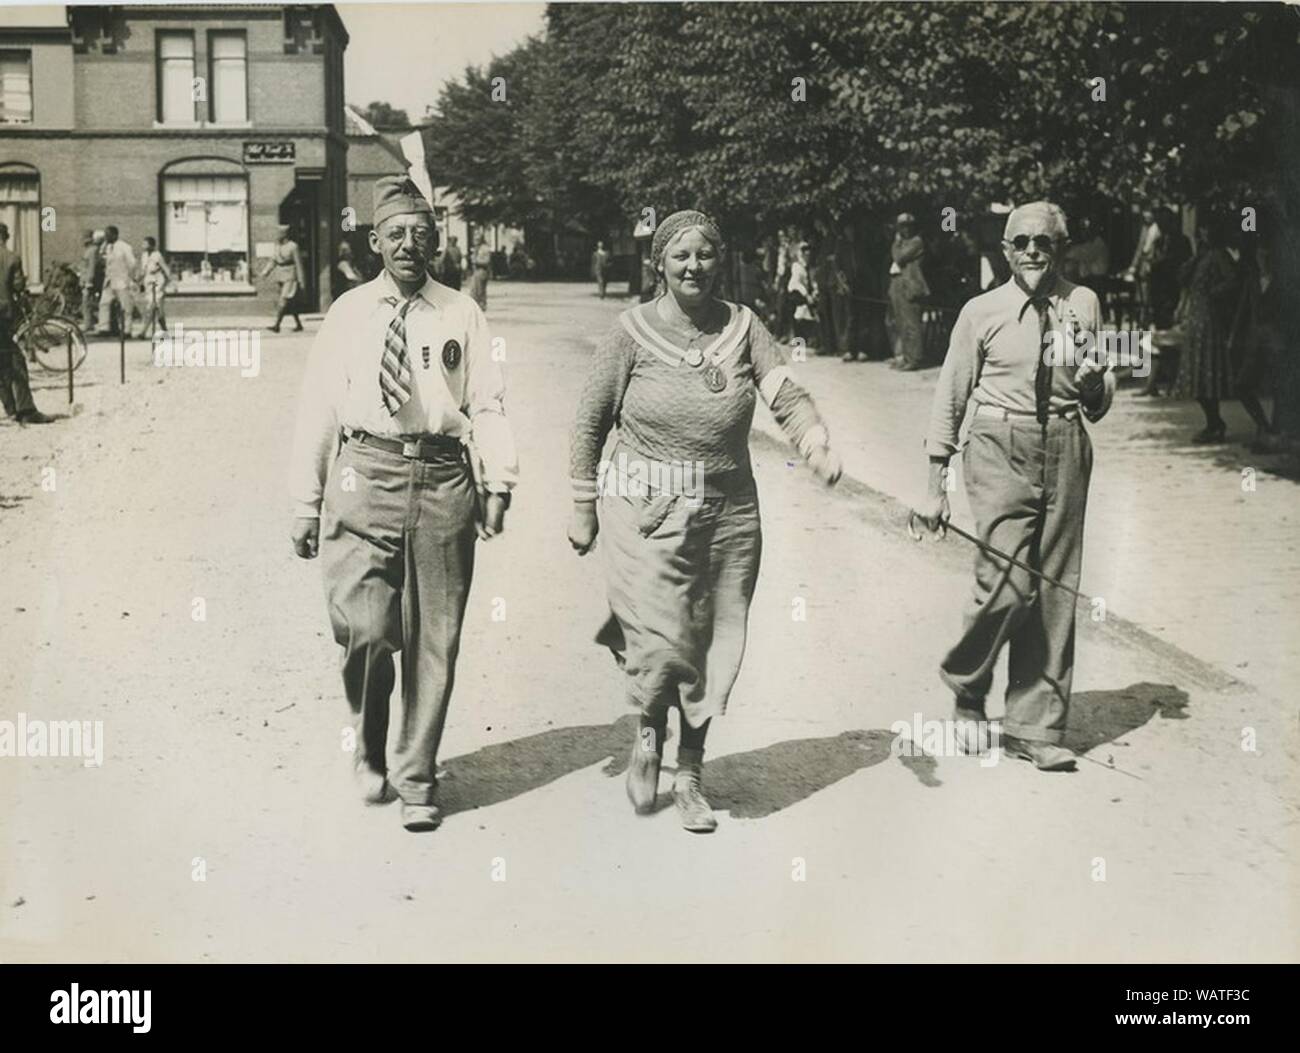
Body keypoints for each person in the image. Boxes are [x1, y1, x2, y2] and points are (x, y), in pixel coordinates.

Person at [567, 209, 843, 832]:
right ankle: (647, 736)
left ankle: (690, 771)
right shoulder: (630, 332)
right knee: (665, 641)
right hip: (643, 508)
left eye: (707, 255)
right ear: (659, 264)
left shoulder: (745, 327)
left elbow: (784, 394)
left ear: (722, 260)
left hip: (728, 509)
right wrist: (583, 503)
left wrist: (815, 443)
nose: (695, 267)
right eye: (681, 256)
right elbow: (590, 420)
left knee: (715, 643)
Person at [289, 176, 518, 833]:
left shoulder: (461, 313)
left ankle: (418, 776)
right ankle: (370, 738)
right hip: (366, 472)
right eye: (396, 234)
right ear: (374, 242)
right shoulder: (349, 313)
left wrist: (499, 481)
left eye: (421, 233)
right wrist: (305, 500)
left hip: (444, 477)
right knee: (365, 627)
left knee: (434, 638)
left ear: (436, 240)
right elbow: (318, 408)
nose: (409, 245)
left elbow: (487, 403)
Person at [914, 201, 1114, 772]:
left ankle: (1035, 726)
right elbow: (951, 397)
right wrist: (935, 484)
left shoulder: (1084, 303)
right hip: (999, 444)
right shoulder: (982, 311)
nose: (1032, 251)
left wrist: (1097, 385)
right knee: (1005, 581)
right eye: (1021, 241)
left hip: (1068, 446)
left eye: (1044, 242)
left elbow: (1097, 403)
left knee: (1054, 586)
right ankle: (969, 687)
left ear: (1061, 247)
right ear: (1005, 250)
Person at [1169, 221, 1273, 444]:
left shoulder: (1219, 255)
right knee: (1198, 375)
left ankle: (1218, 423)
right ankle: (1214, 422)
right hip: (1196, 318)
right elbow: (1183, 277)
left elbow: (1232, 281)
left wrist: (1212, 294)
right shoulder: (1203, 254)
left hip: (1209, 320)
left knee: (1210, 373)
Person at [0, 223, 53, 424]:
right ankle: (26, 410)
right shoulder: (12, 257)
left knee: (3, 362)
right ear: (6, 236)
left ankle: (12, 408)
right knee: (16, 361)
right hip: (3, 315)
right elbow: (18, 286)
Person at [888, 212, 928, 370]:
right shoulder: (903, 242)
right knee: (901, 322)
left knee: (912, 323)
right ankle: (906, 356)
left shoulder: (916, 242)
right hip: (898, 284)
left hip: (910, 286)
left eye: (907, 226)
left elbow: (899, 257)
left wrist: (896, 243)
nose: (904, 230)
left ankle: (915, 358)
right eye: (901, 227)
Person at [95, 225, 139, 338]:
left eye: (108, 235)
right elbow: (105, 261)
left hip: (122, 281)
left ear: (115, 235)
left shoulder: (124, 247)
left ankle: (127, 330)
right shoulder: (108, 247)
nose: (106, 237)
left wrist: (129, 277)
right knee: (104, 303)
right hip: (110, 280)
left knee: (125, 307)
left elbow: (132, 263)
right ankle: (104, 328)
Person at [261, 224, 305, 333]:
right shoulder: (278, 246)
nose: (277, 235)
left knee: (283, 300)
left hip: (290, 276)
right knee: (290, 302)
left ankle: (277, 325)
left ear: (285, 234)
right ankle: (299, 324)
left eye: (279, 233)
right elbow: (273, 260)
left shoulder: (293, 246)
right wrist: (265, 272)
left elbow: (299, 264)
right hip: (280, 276)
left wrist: (301, 280)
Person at [138, 236, 171, 338]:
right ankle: (165, 331)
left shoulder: (157, 255)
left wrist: (168, 282)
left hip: (157, 284)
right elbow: (143, 270)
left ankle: (143, 332)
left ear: (152, 245)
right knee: (158, 311)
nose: (143, 246)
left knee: (151, 308)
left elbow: (165, 269)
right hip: (148, 285)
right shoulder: (144, 256)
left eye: (146, 243)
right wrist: (139, 280)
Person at [80, 230, 104, 334]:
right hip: (86, 279)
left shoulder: (93, 250)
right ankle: (90, 322)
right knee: (88, 303)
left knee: (86, 303)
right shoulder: (90, 250)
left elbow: (91, 267)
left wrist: (89, 281)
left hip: (89, 281)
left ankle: (88, 324)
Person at [468, 234, 491, 311]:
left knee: (480, 290)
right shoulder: (476, 248)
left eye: (477, 239)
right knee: (474, 290)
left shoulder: (485, 248)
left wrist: (476, 261)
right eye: (475, 239)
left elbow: (487, 261)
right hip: (476, 271)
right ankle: (476, 307)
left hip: (482, 271)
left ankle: (481, 306)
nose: (475, 241)